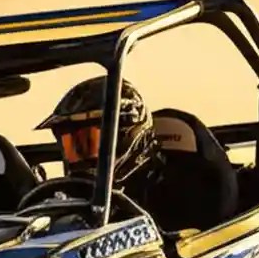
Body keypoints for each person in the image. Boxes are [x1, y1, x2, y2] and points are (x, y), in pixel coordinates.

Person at [36, 76, 166, 210]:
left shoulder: (163, 192)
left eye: (90, 140)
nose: (80, 154)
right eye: (71, 143)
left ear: (125, 138)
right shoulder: (69, 198)